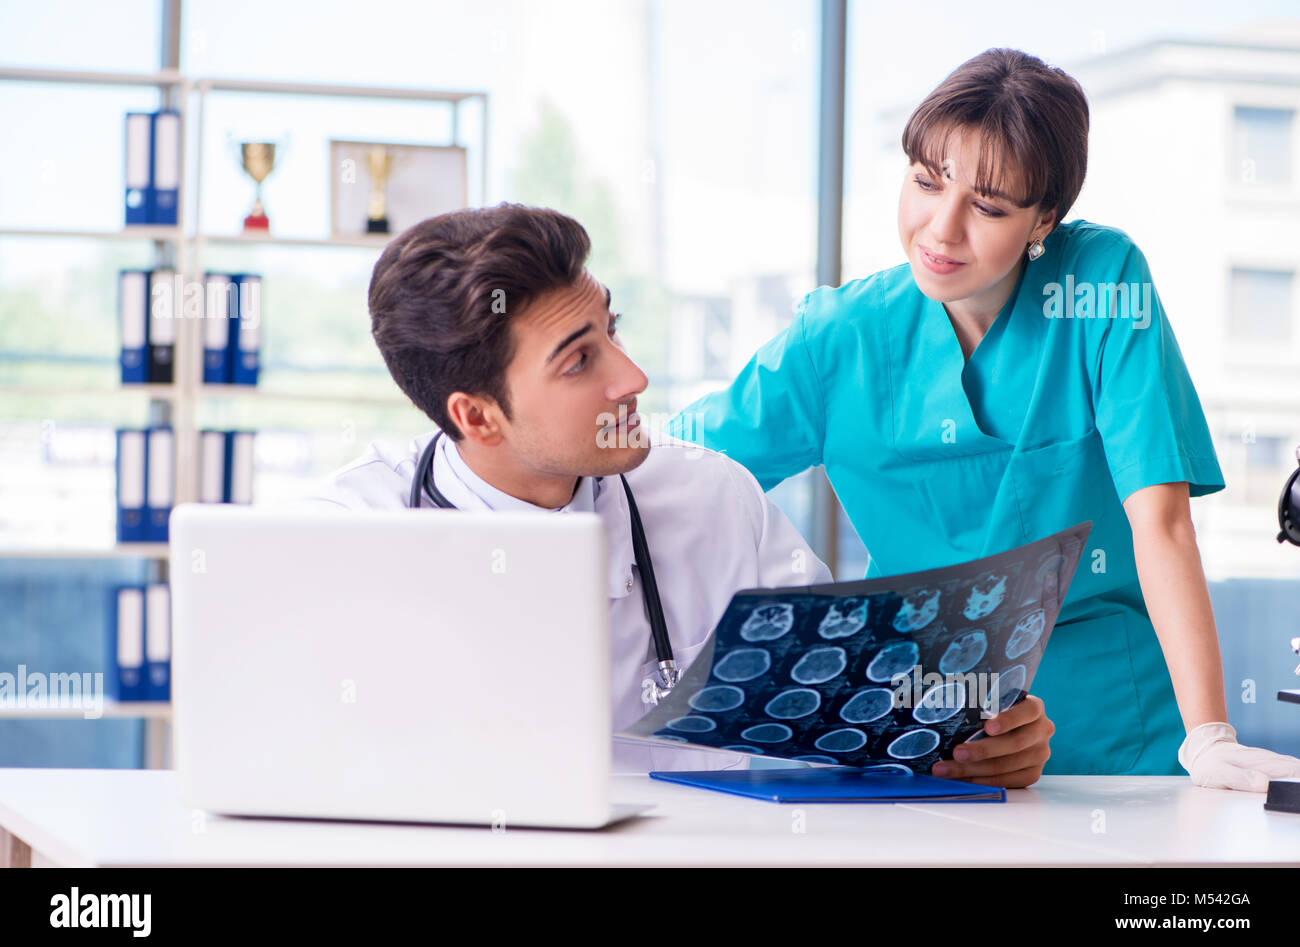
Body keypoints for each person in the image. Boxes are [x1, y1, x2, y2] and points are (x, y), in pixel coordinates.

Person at [669, 48, 1300, 790]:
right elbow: (678, 471)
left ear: (1045, 220)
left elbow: (1158, 519)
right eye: (925, 183)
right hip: (925, 725)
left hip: (1114, 735)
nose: (941, 230)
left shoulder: (1099, 284)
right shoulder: (841, 338)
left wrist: (1210, 734)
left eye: (989, 207)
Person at [298, 203, 1056, 783]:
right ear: (476, 415)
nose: (631, 378)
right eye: (579, 361)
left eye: (612, 333)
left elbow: (851, 719)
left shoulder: (714, 500)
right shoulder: (347, 539)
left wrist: (967, 744)